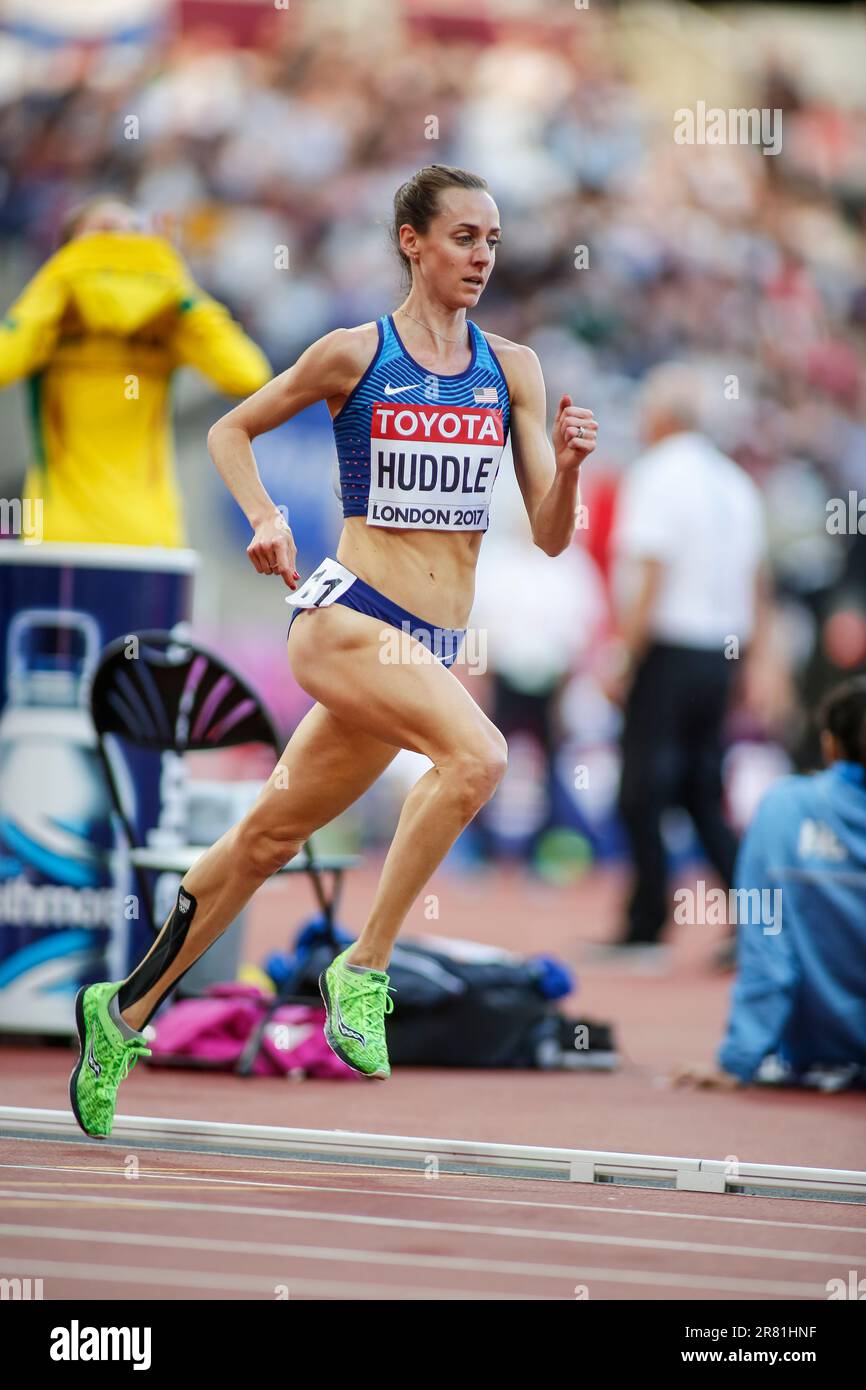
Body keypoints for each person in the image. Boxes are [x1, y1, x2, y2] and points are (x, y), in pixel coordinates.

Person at [68, 164, 598, 1136]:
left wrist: (563, 469)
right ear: (412, 242)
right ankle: (364, 968)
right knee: (478, 756)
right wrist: (267, 518)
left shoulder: (512, 368)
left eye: (490, 240)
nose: (480, 256)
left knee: (264, 841)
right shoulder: (355, 353)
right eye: (461, 238)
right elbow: (232, 430)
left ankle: (122, 1009)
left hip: (421, 643)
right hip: (344, 616)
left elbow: (553, 532)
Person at [603, 364, 769, 963]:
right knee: (701, 790)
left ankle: (648, 924)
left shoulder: (655, 475)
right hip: (720, 654)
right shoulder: (735, 482)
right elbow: (758, 582)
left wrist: (623, 654)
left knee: (642, 791)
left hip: (669, 651)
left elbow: (651, 569)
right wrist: (755, 663)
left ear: (664, 417)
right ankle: (753, 918)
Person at [0, 196, 271, 546]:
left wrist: (181, 290)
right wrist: (56, 280)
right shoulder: (52, 319)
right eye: (106, 230)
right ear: (69, 248)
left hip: (147, 534)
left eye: (135, 230)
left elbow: (249, 376)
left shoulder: (167, 320)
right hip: (60, 532)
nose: (124, 240)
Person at [675, 677, 866, 1090]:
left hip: (821, 1058)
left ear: (830, 745)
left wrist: (738, 1060)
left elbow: (766, 946)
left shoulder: (785, 808)